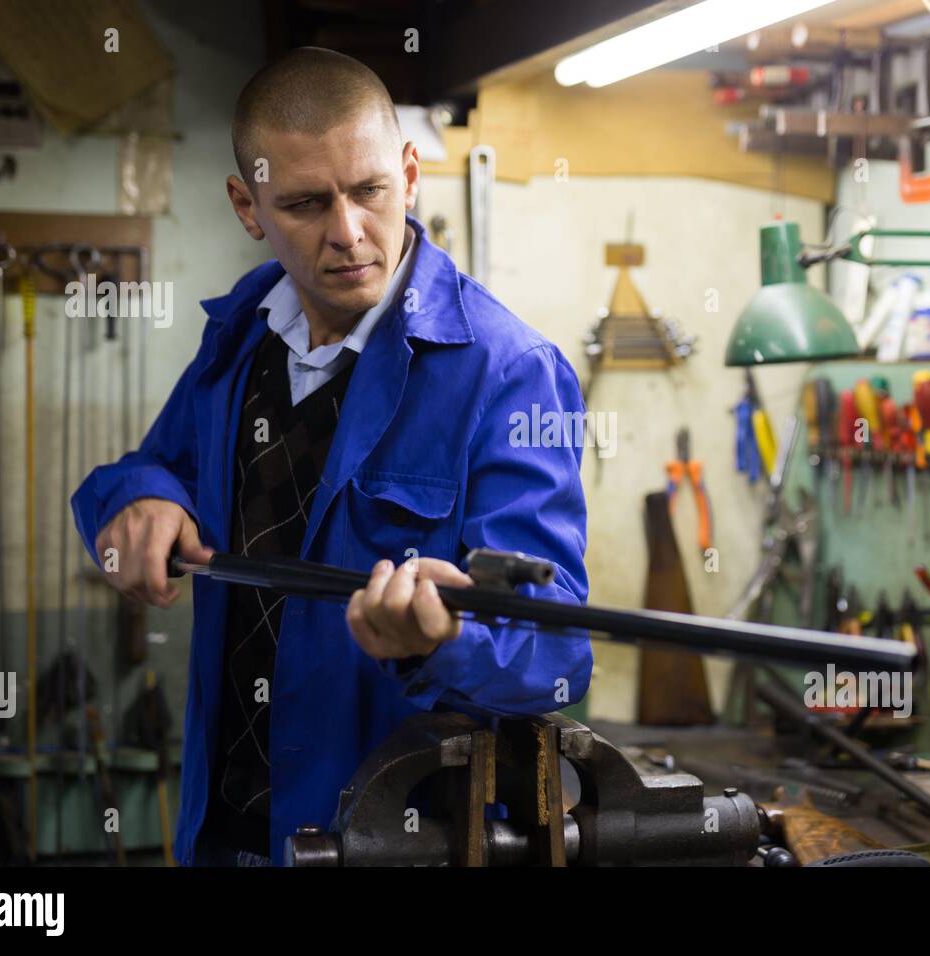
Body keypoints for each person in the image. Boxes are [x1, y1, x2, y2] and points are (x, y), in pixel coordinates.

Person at [71, 47, 591, 866]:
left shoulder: (509, 373)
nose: (348, 234)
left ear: (410, 174)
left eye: (370, 191)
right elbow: (149, 470)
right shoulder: (240, 336)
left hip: (392, 845)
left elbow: (561, 652)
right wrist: (137, 497)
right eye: (307, 204)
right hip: (225, 831)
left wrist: (440, 641)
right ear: (249, 206)